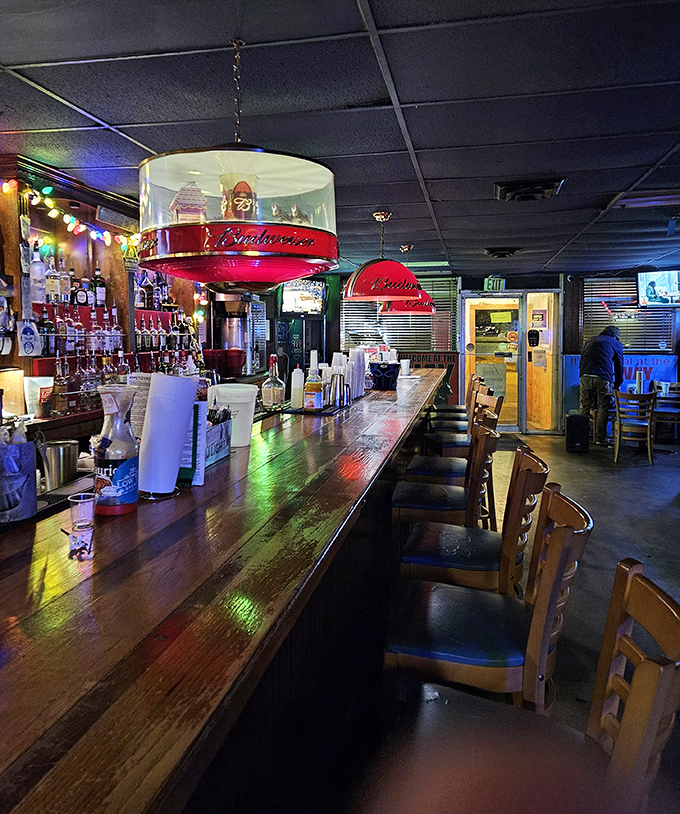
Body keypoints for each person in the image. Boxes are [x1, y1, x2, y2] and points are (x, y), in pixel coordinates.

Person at [579, 326, 624, 445]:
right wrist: (617, 384)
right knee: (602, 408)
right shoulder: (615, 342)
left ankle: (582, 437)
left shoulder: (590, 340)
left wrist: (583, 374)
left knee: (584, 406)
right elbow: (619, 365)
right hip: (602, 377)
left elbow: (582, 358)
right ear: (616, 336)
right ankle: (600, 438)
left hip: (585, 375)